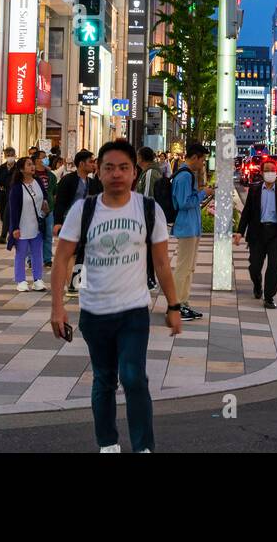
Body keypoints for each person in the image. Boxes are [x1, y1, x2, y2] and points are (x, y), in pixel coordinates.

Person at [50, 140, 183, 453]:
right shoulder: (83, 211)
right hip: (94, 312)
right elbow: (61, 259)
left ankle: (143, 446)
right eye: (109, 167)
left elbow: (162, 263)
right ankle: (108, 443)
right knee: (105, 379)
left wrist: (174, 306)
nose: (116, 174)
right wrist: (57, 308)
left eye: (124, 167)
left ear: (134, 172)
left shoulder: (149, 210)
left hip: (134, 311)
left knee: (134, 376)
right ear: (98, 170)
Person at [235, 158, 277, 308]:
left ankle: (269, 297)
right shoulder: (255, 190)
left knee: (274, 266)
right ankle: (257, 285)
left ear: (276, 172)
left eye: (272, 170)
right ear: (262, 173)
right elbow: (247, 213)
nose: (270, 173)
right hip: (257, 233)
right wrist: (240, 232)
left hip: (275, 233)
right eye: (267, 170)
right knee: (255, 267)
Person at [169, 143, 210, 321]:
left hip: (191, 226)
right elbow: (183, 202)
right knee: (183, 267)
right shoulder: (185, 176)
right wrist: (203, 194)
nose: (203, 164)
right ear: (194, 157)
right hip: (186, 226)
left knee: (189, 268)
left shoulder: (187, 175)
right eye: (202, 160)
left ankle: (183, 303)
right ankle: (176, 305)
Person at [54, 149, 101, 298]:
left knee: (83, 252)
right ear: (81, 164)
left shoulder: (92, 182)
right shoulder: (68, 180)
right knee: (71, 253)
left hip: (88, 222)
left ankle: (78, 283)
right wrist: (57, 222)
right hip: (70, 220)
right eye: (90, 162)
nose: (93, 165)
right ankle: (73, 285)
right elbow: (60, 202)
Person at [7, 156, 47, 291]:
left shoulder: (38, 182)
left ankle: (38, 279)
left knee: (37, 253)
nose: (32, 167)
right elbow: (13, 209)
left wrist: (46, 205)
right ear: (21, 169)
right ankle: (21, 280)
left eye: (32, 164)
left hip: (37, 224)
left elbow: (44, 197)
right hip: (22, 226)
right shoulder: (17, 187)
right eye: (29, 165)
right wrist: (15, 228)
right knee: (21, 253)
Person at [0, 147, 18, 243]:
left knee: (8, 214)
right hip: (3, 193)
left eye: (11, 155)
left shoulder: (18, 168)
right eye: (8, 156)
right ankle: (8, 231)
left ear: (14, 156)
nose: (10, 157)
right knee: (3, 215)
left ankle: (3, 236)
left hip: (14, 194)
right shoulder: (1, 168)